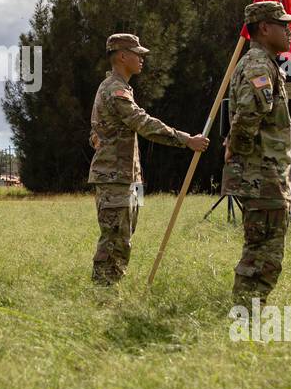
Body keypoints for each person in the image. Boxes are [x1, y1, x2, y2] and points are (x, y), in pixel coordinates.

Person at [89, 33, 209, 286]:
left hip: (130, 179)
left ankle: (111, 288)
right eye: (137, 53)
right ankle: (103, 294)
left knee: (125, 236)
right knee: (113, 240)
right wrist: (186, 139)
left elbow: (96, 132)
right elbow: (142, 123)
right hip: (116, 179)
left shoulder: (119, 88)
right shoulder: (114, 89)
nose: (142, 58)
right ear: (122, 56)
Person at [222, 2, 291, 304]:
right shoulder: (258, 64)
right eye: (283, 25)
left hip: (266, 175)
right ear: (265, 28)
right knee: (263, 256)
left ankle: (246, 314)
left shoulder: (264, 63)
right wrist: (235, 149)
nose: (289, 31)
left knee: (262, 251)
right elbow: (249, 112)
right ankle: (245, 317)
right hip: (263, 175)